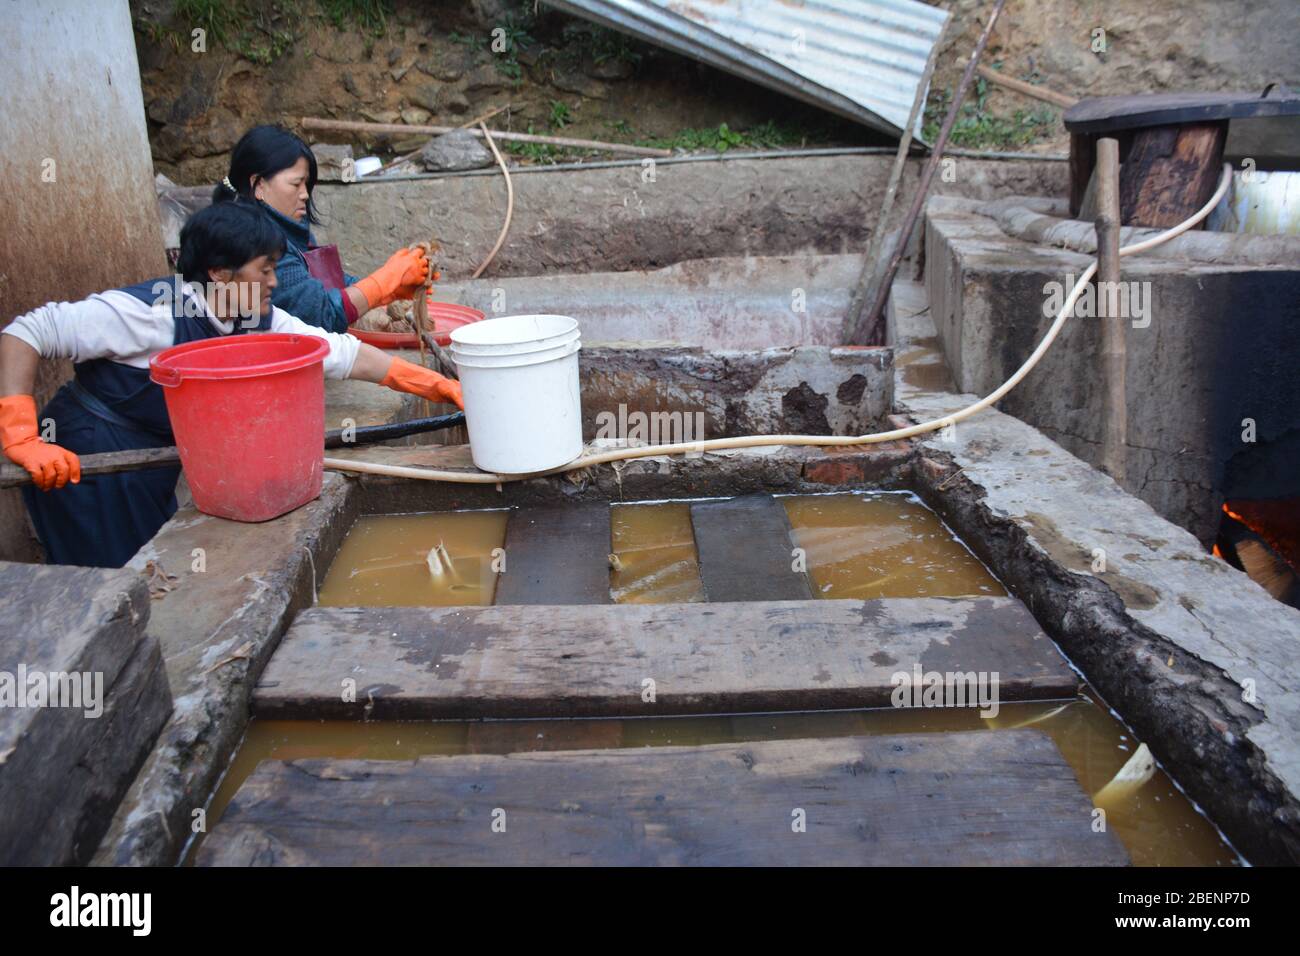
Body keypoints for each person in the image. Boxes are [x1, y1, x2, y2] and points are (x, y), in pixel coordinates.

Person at [0, 202, 463, 568]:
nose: (274, 282)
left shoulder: (256, 315)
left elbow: (340, 353)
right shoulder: (154, 313)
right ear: (219, 272)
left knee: (142, 567)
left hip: (151, 456)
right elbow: (26, 332)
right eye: (264, 270)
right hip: (83, 451)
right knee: (103, 576)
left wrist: (437, 387)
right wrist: (20, 434)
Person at [213, 124, 428, 332]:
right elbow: (320, 315)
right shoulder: (253, 244)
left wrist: (393, 289)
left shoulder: (289, 230)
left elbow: (329, 285)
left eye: (307, 185)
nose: (305, 194)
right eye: (296, 184)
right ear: (259, 185)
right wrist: (384, 280)